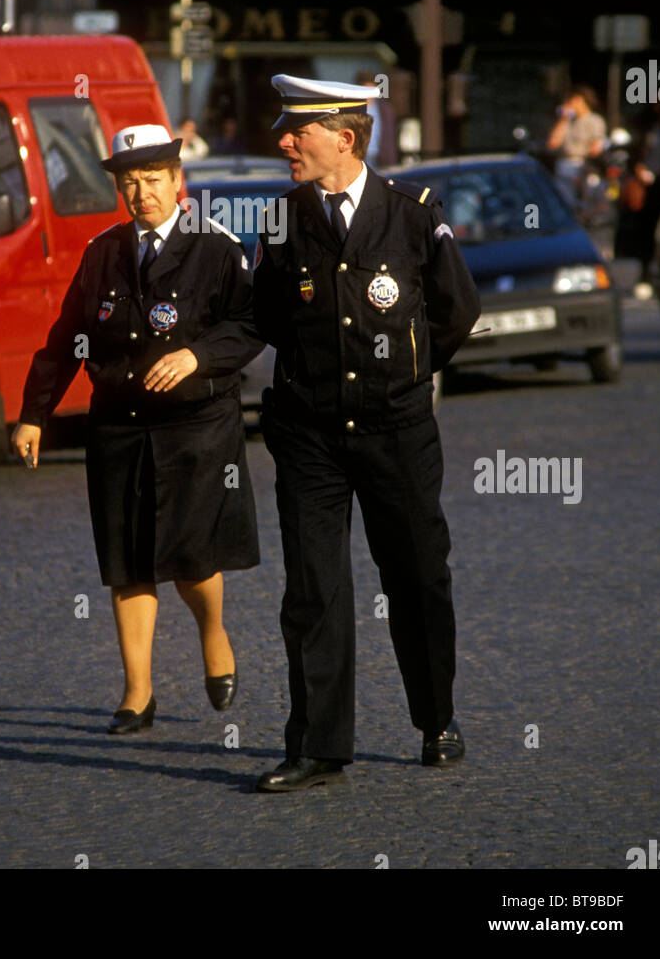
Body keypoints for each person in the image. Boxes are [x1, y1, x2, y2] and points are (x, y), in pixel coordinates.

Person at [251, 76, 481, 792]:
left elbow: (456, 310)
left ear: (344, 138)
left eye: (298, 129)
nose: (283, 140)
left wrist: (405, 374)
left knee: (417, 576)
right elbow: (266, 319)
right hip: (310, 431)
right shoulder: (282, 218)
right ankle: (319, 746)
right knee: (314, 588)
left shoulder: (411, 213)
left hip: (396, 431)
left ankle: (435, 717)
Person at [12, 125, 263, 733]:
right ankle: (137, 693)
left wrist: (197, 356)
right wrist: (34, 414)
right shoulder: (104, 252)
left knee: (191, 559)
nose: (141, 193)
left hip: (197, 425)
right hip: (120, 426)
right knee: (127, 562)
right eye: (130, 182)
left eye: (153, 180)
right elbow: (68, 336)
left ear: (179, 181)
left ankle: (214, 635)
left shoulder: (218, 248)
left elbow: (251, 326)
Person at [546, 86, 607, 192]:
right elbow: (552, 144)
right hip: (563, 165)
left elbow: (596, 149)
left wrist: (584, 171)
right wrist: (564, 119)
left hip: (582, 165)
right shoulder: (567, 121)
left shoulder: (594, 120)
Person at [356, 69, 398, 168]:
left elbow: (389, 135)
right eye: (365, 88)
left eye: (371, 88)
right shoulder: (354, 108)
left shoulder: (384, 108)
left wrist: (391, 158)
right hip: (359, 154)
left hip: (379, 155)